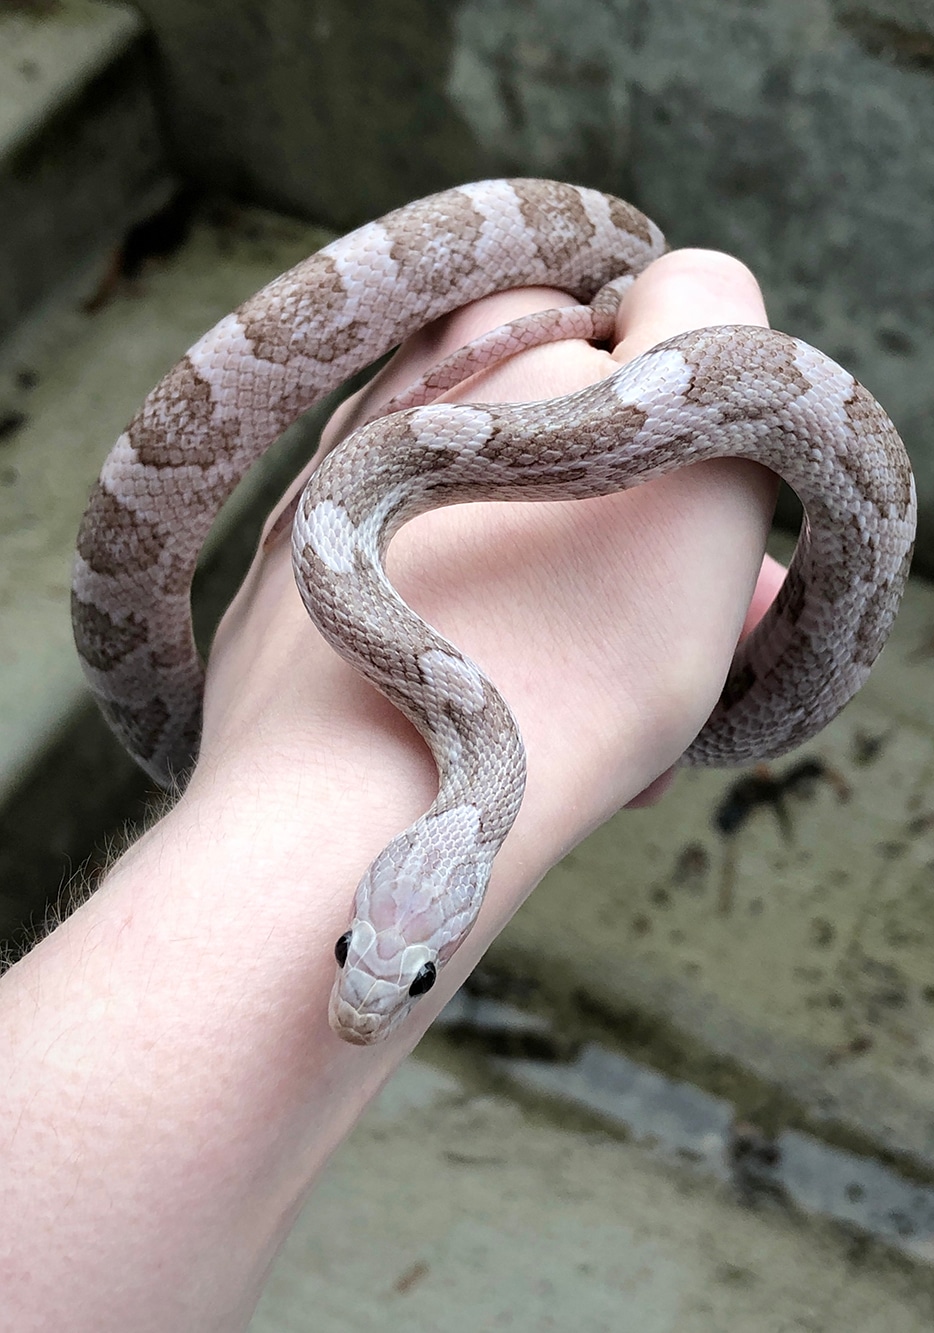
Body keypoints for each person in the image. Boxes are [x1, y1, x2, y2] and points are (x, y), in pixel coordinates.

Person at [0, 247, 784, 1329]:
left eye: (369, 959)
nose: (363, 1000)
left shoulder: (384, 594)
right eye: (409, 973)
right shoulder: (469, 741)